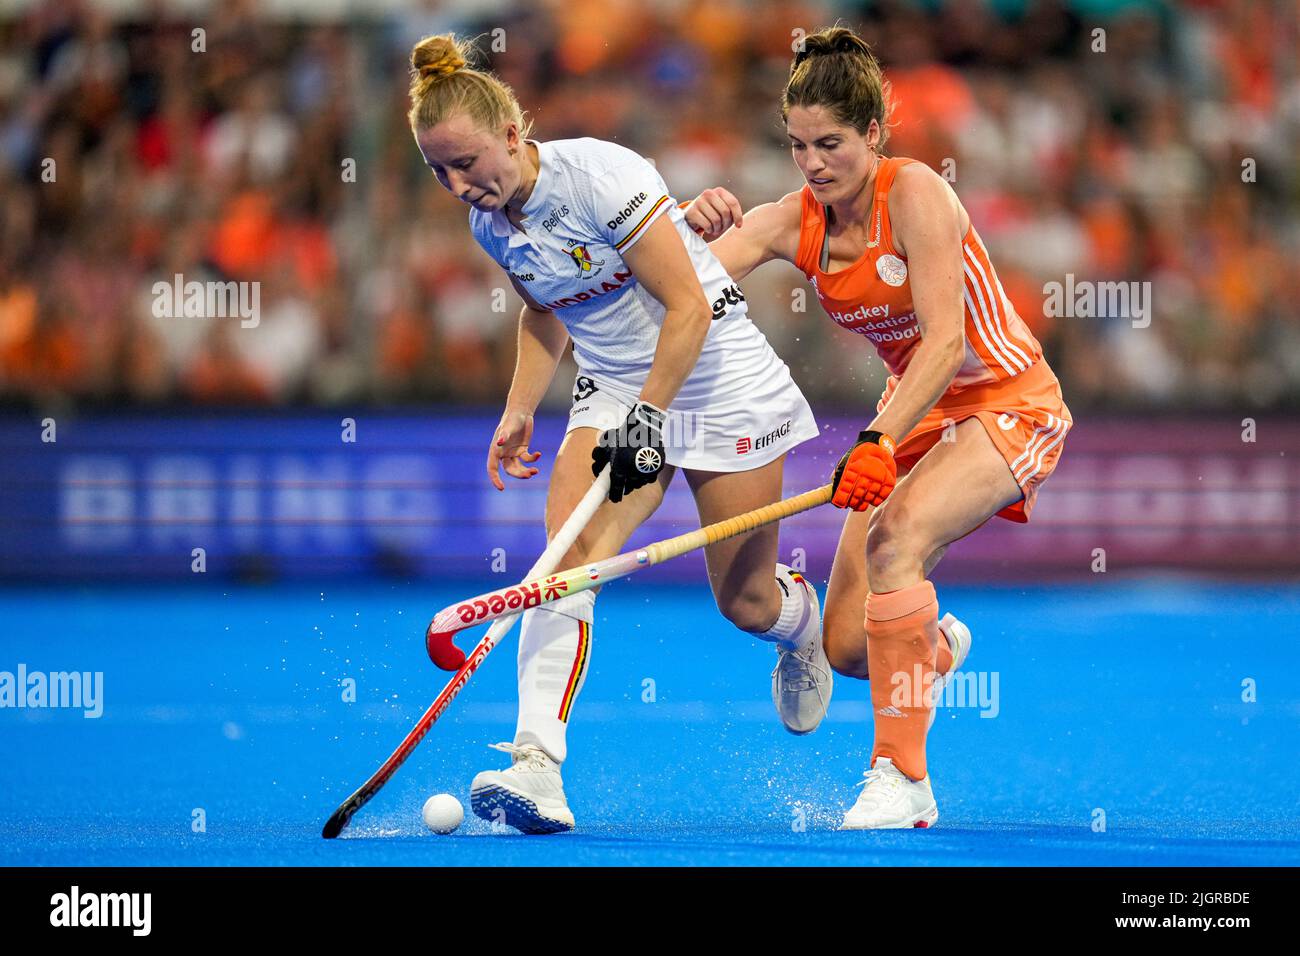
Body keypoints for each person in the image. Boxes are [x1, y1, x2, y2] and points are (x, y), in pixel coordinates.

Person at [407, 33, 831, 834]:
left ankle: (800, 623)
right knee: (564, 567)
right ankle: (536, 766)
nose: (460, 185)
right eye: (439, 172)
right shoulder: (492, 226)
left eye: (467, 163)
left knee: (742, 602)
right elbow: (542, 309)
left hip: (715, 378)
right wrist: (521, 405)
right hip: (611, 389)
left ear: (511, 134)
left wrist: (651, 421)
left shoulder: (602, 177)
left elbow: (690, 308)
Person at [684, 25, 1073, 829]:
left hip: (1007, 402)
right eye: (797, 146)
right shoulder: (794, 220)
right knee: (847, 650)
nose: (814, 164)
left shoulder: (919, 193)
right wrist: (683, 231)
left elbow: (946, 342)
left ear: (872, 133)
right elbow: (681, 285)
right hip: (911, 417)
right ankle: (928, 640)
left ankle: (903, 782)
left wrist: (878, 439)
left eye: (830, 143)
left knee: (896, 543)